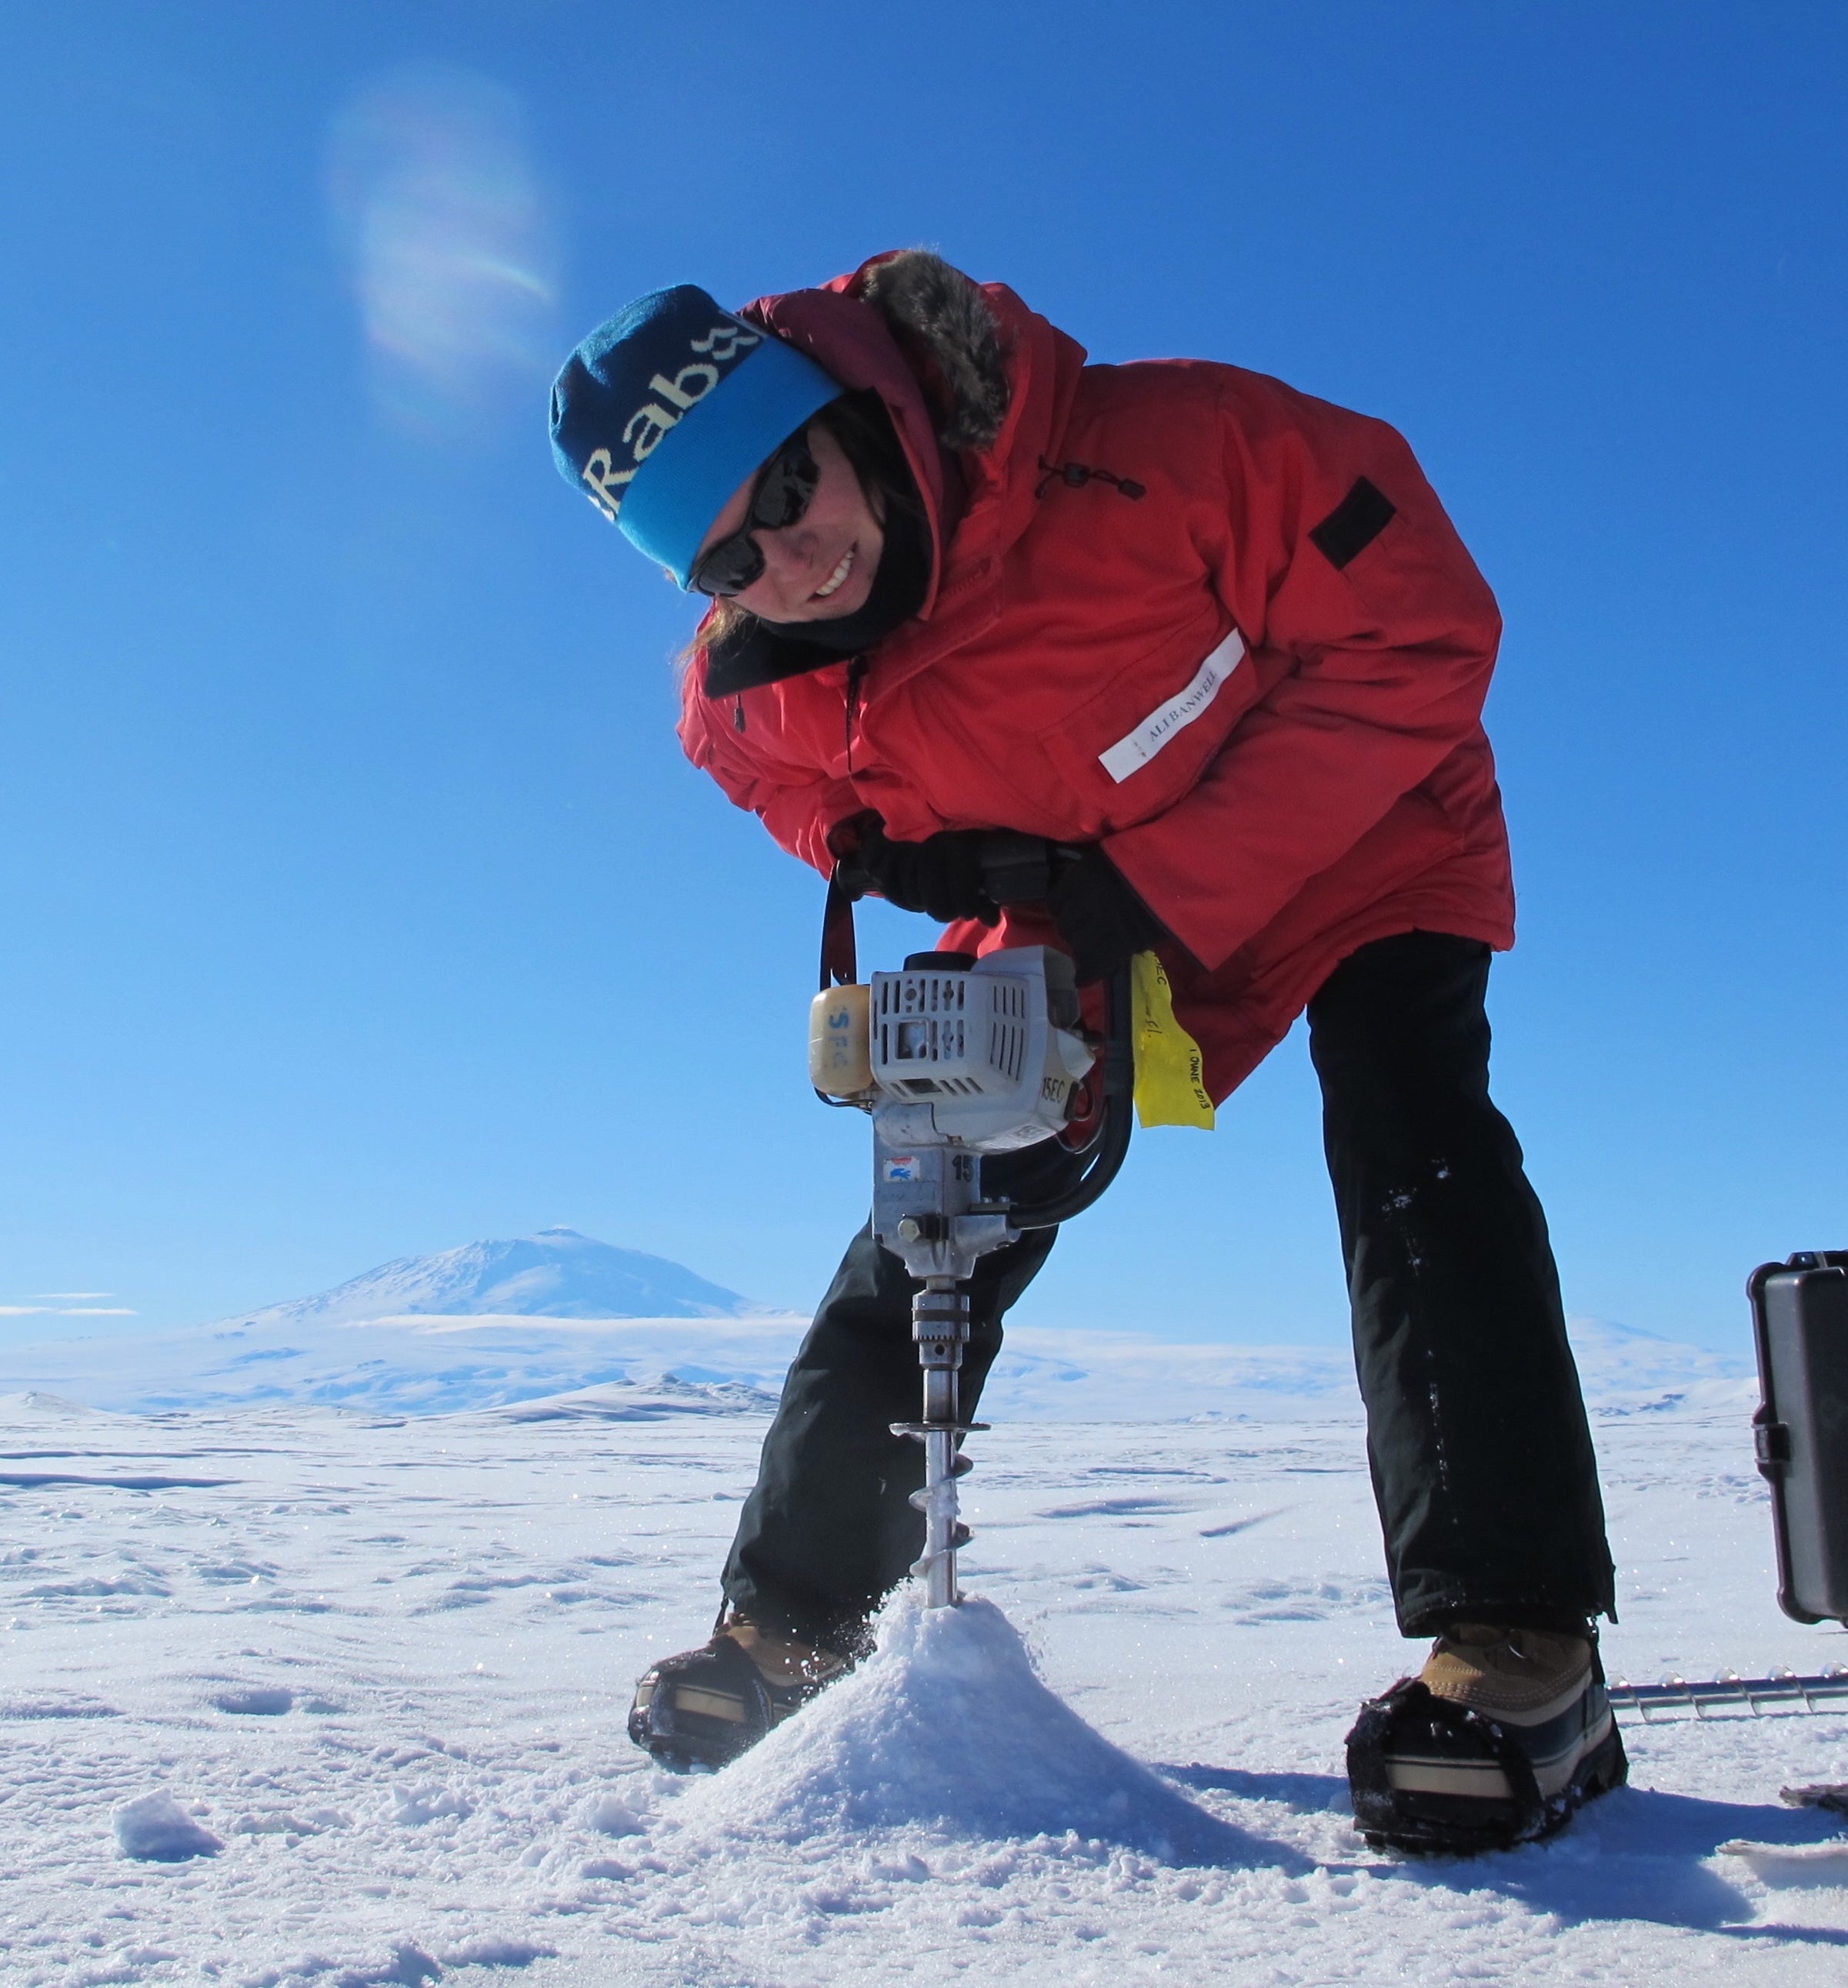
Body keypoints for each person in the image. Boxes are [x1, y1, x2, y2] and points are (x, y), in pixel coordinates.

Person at [547, 252, 1624, 1854]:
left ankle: (1524, 1653)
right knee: (940, 1188)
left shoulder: (1170, 454)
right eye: (727, 557)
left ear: (841, 414)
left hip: (1365, 832)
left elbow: (1422, 629)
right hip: (1083, 898)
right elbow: (775, 784)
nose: (792, 556)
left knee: (1415, 1143)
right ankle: (792, 1626)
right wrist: (918, 860)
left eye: (788, 487)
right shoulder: (751, 695)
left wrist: (1145, 882)